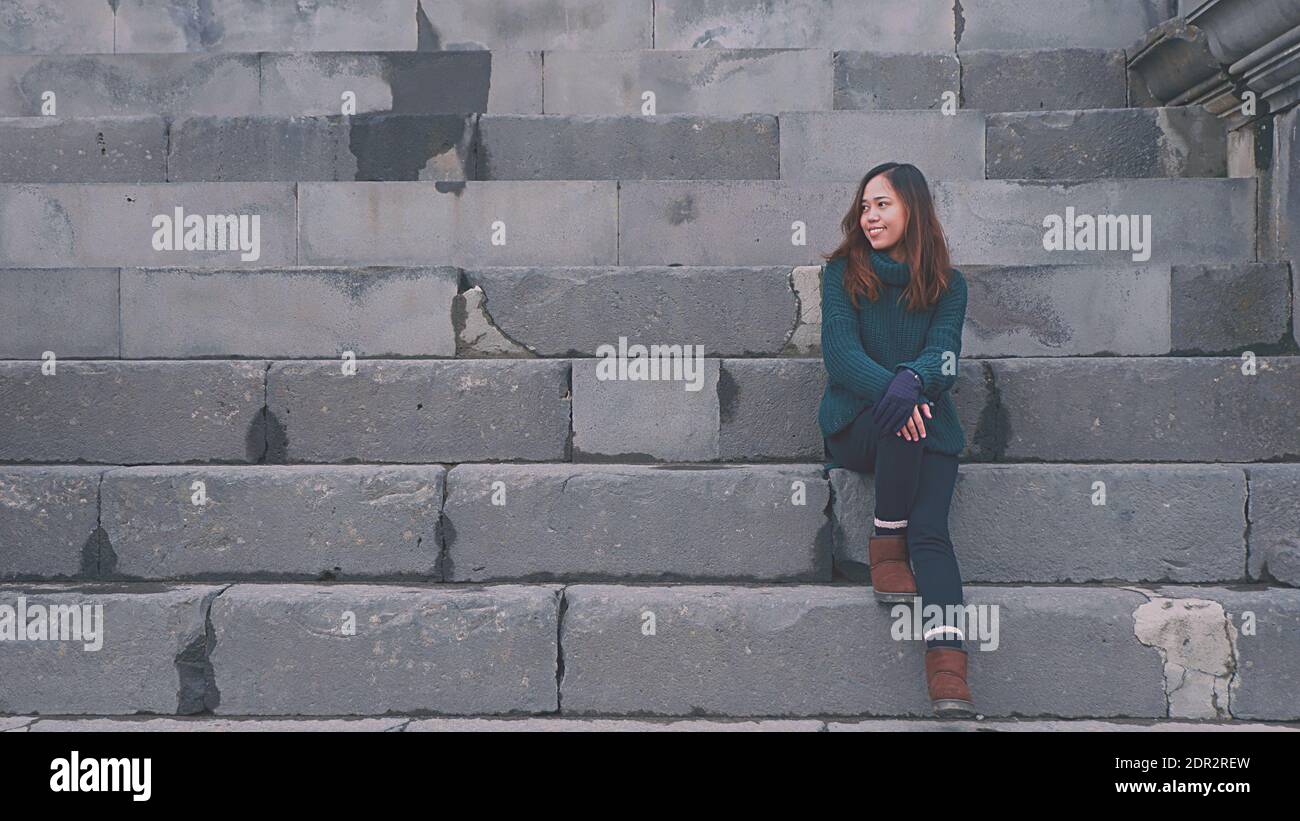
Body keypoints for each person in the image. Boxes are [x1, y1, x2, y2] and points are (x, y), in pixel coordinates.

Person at [817, 162, 975, 718]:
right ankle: (885, 539)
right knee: (908, 411)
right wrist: (900, 387)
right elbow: (840, 355)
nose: (870, 216)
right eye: (864, 206)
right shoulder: (840, 273)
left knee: (931, 534)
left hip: (926, 424)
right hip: (856, 425)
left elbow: (945, 356)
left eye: (881, 204)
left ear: (913, 208)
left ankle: (949, 667)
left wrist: (915, 380)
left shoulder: (948, 285)